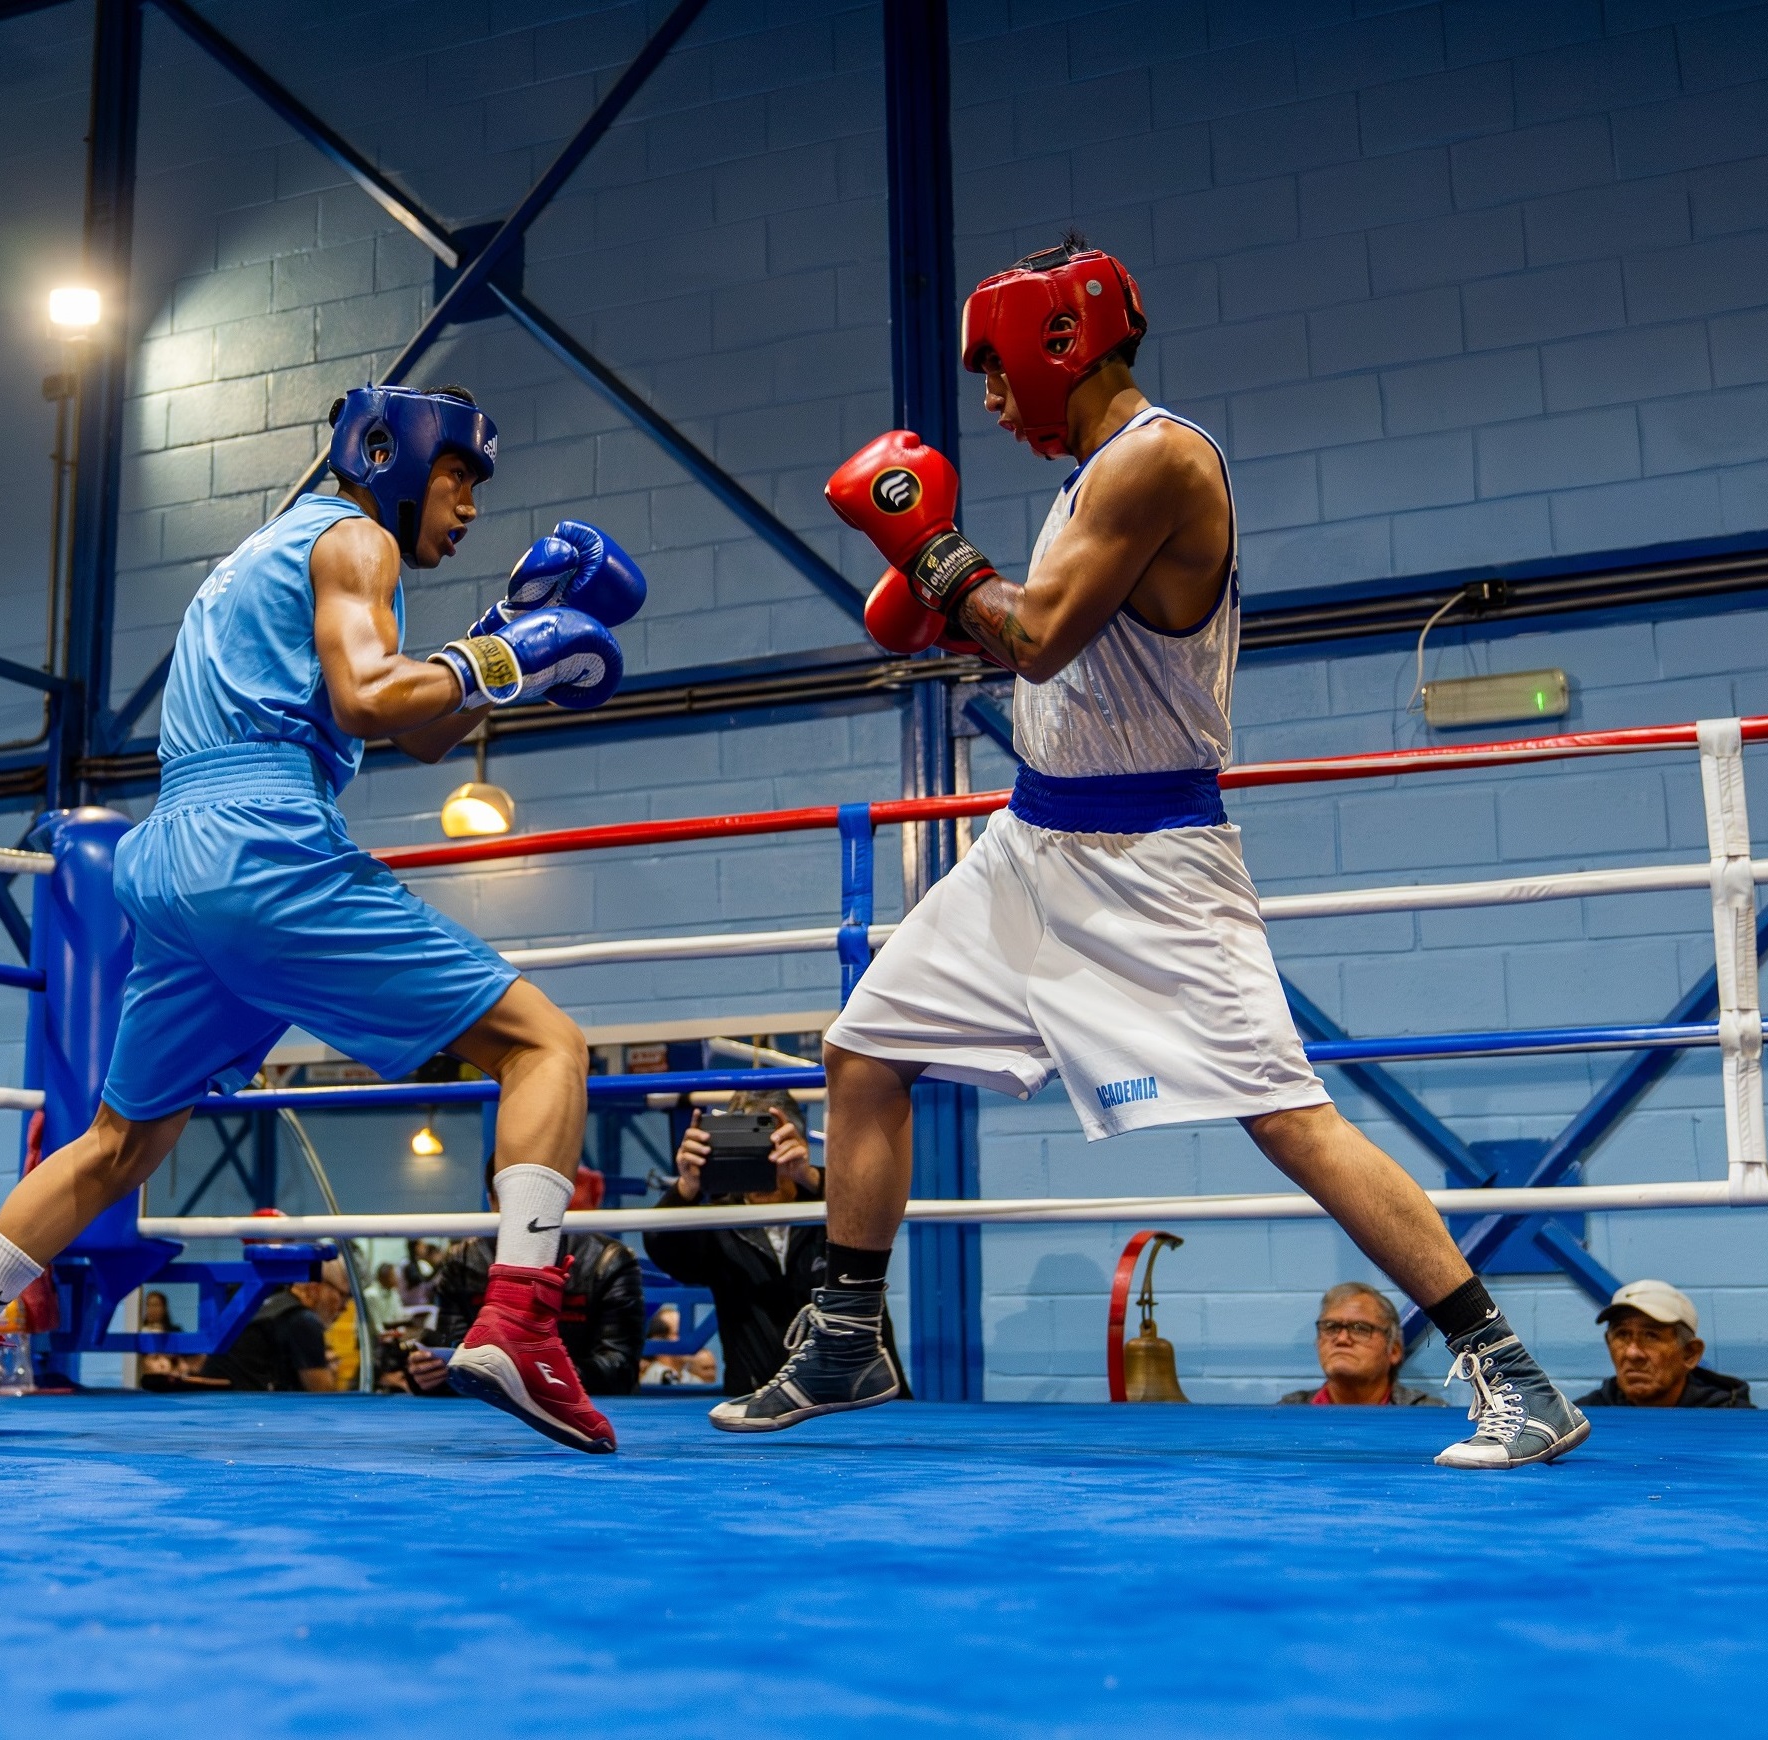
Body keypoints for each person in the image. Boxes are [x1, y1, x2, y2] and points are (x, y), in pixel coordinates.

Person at [739, 234, 1590, 1470]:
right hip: (1031, 843)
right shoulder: (1083, 485)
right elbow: (1040, 654)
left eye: (994, 369)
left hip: (1153, 861)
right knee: (862, 1052)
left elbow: (1030, 639)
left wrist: (929, 547)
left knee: (1288, 1121)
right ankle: (845, 1338)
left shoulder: (1159, 462)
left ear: (1060, 346)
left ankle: (1509, 1375)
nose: (985, 398)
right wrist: (939, 588)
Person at [0, 385, 646, 1453]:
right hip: (261, 842)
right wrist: (504, 660)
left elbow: (410, 735)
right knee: (543, 1045)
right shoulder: (355, 538)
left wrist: (501, 646)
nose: (465, 510)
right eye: (458, 478)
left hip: (172, 856)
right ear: (390, 456)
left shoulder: (260, 559)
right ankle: (520, 1317)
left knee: (116, 1141)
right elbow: (372, 698)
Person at [643, 1090, 904, 1399]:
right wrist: (685, 1188)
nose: (758, 1164)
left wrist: (807, 1176)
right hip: (758, 1400)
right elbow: (664, 1250)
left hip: (857, 1400)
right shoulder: (719, 1220)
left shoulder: (834, 1204)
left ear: (798, 1145)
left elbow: (876, 1216)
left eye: (766, 1148)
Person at [406, 1162, 644, 1401]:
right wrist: (432, 1374)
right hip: (487, 1415)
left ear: (556, 1196)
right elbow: (456, 1350)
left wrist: (529, 1376)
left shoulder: (607, 1261)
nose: (527, 1209)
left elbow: (619, 1370)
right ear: (493, 1202)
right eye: (515, 1199)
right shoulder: (464, 1260)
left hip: (589, 1407)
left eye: (535, 1196)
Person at [1577, 1279, 1753, 1409]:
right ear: (1609, 1344)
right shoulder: (1584, 1420)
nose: (1632, 1353)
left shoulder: (1732, 1421)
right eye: (1622, 1335)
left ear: (1690, 1354)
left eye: (1651, 1336)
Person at [1278, 1282, 1441, 1407]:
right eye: (1330, 1327)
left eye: (1360, 1329)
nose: (1342, 1339)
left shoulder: (1428, 1415)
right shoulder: (1285, 1414)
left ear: (1394, 1351)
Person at [204, 1259, 350, 1393]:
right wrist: (331, 1371)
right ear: (316, 1286)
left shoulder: (271, 1303)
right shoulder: (302, 1320)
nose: (344, 1307)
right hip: (244, 1405)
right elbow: (324, 1394)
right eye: (342, 1295)